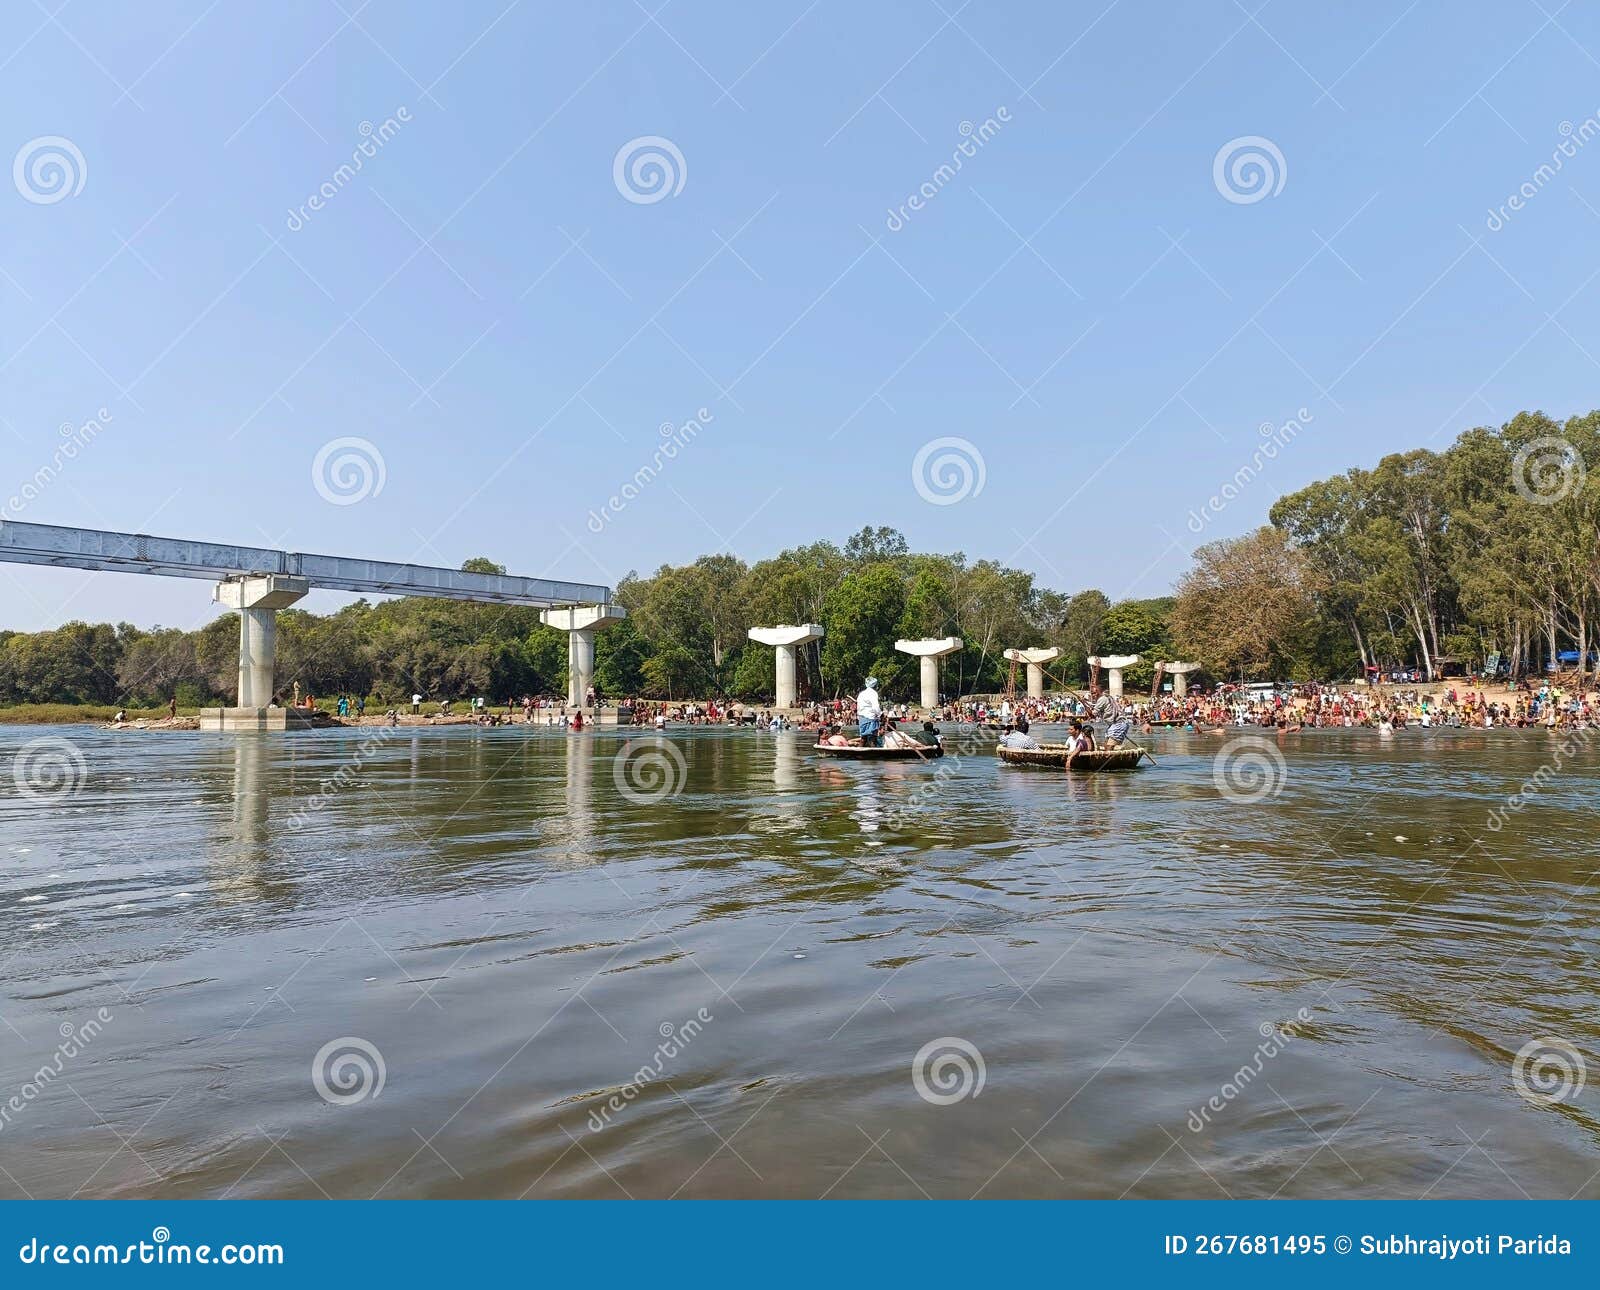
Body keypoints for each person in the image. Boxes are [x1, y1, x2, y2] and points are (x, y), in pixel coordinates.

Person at [856, 676, 884, 746]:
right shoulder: (873, 693)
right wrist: (881, 714)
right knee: (872, 739)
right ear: (875, 685)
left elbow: (858, 707)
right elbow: (875, 707)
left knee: (863, 738)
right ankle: (874, 754)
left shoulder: (861, 694)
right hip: (871, 718)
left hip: (862, 718)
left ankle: (860, 752)